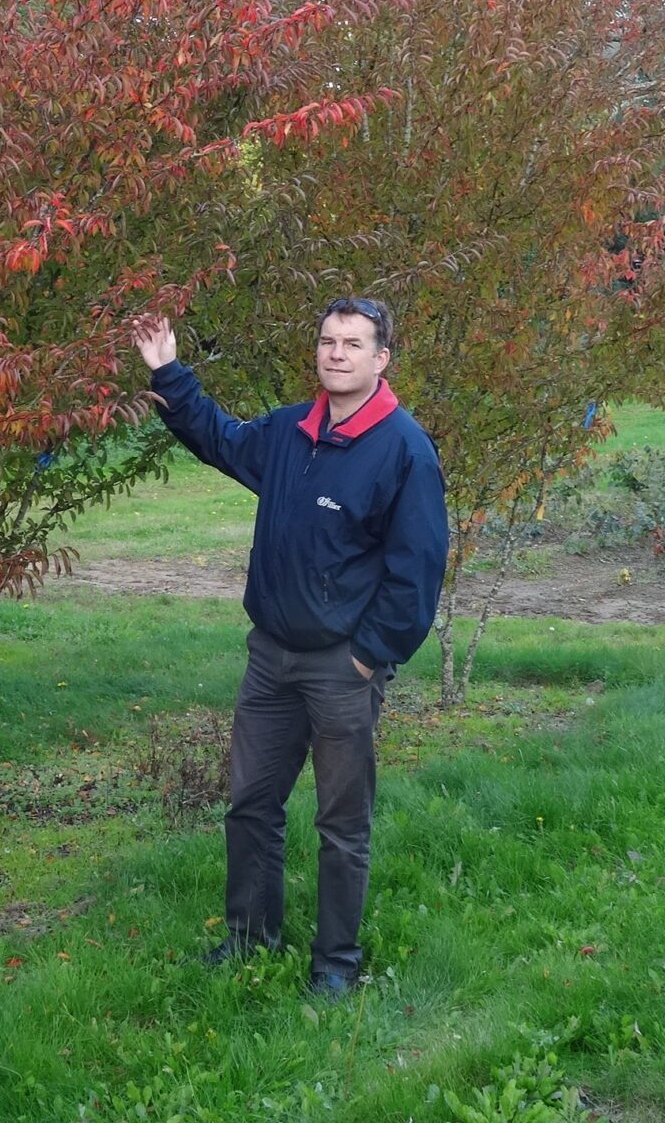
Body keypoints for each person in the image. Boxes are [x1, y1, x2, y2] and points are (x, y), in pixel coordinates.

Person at [132, 296, 448, 997]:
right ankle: (250, 937)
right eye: (328, 341)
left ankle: (335, 962)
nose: (336, 353)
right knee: (251, 804)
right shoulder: (288, 433)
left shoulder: (403, 450)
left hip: (343, 668)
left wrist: (368, 656)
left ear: (381, 359)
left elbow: (416, 572)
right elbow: (218, 438)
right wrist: (169, 371)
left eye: (353, 344)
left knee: (341, 823)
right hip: (271, 659)